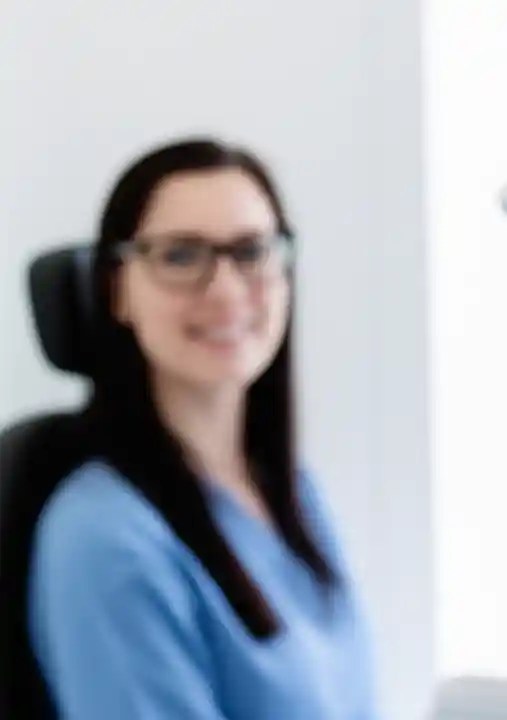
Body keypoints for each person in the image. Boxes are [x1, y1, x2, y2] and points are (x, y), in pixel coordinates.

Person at [16, 139, 379, 719]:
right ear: (116, 289)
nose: (227, 290)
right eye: (181, 256)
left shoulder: (292, 492)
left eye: (252, 251)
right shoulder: (108, 540)